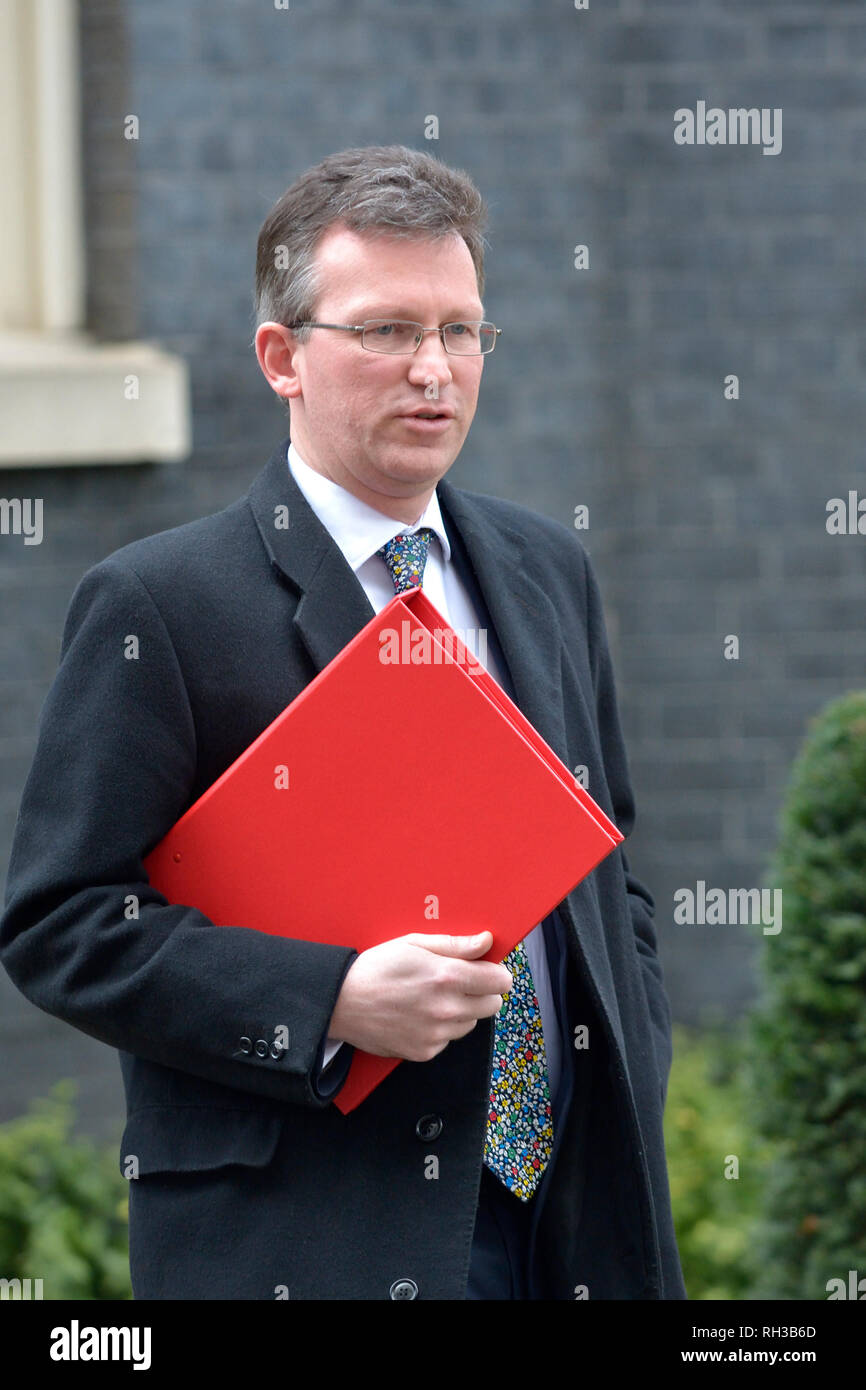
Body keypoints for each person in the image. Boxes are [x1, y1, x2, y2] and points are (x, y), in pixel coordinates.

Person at [0, 145, 685, 1300]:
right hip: (319, 1237)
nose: (433, 370)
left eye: (460, 331)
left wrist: (634, 1047)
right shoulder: (161, 604)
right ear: (282, 358)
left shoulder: (541, 567)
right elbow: (60, 924)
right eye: (384, 332)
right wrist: (326, 1003)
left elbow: (604, 858)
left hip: (575, 1223)